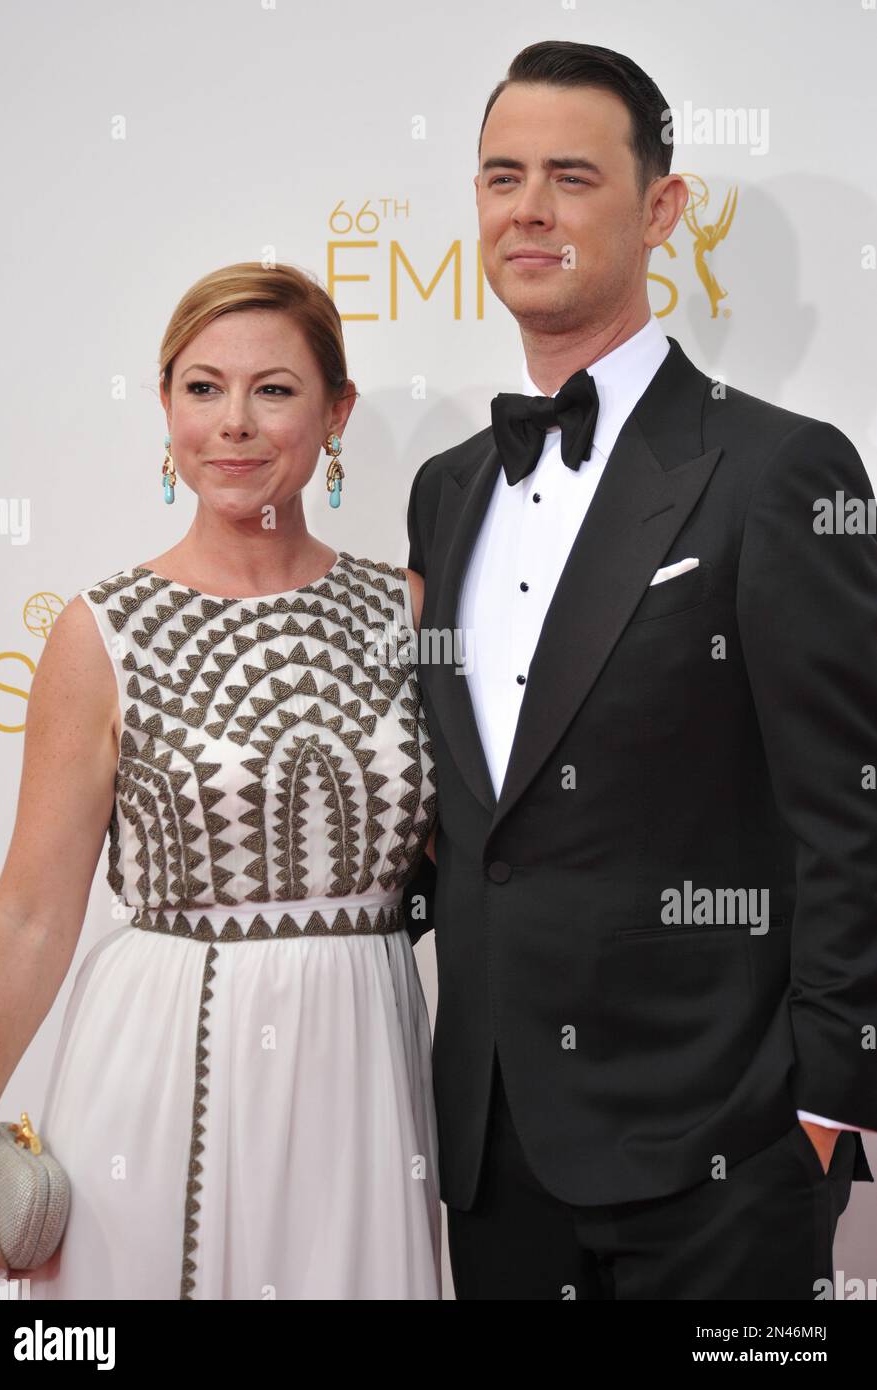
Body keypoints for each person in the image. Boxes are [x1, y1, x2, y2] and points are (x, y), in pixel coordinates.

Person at [401, 40, 877, 1299]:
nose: (529, 210)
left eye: (571, 175)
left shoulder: (780, 470)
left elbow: (850, 804)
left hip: (719, 1148)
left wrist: (826, 1103)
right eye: (502, 177)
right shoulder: (447, 492)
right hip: (496, 1147)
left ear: (661, 208)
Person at [0, 262, 440, 1299]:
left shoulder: (406, 613)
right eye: (201, 387)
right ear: (166, 407)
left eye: (274, 389)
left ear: (336, 412)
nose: (234, 423)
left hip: (364, 1072)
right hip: (161, 1063)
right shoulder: (101, 631)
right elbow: (32, 915)